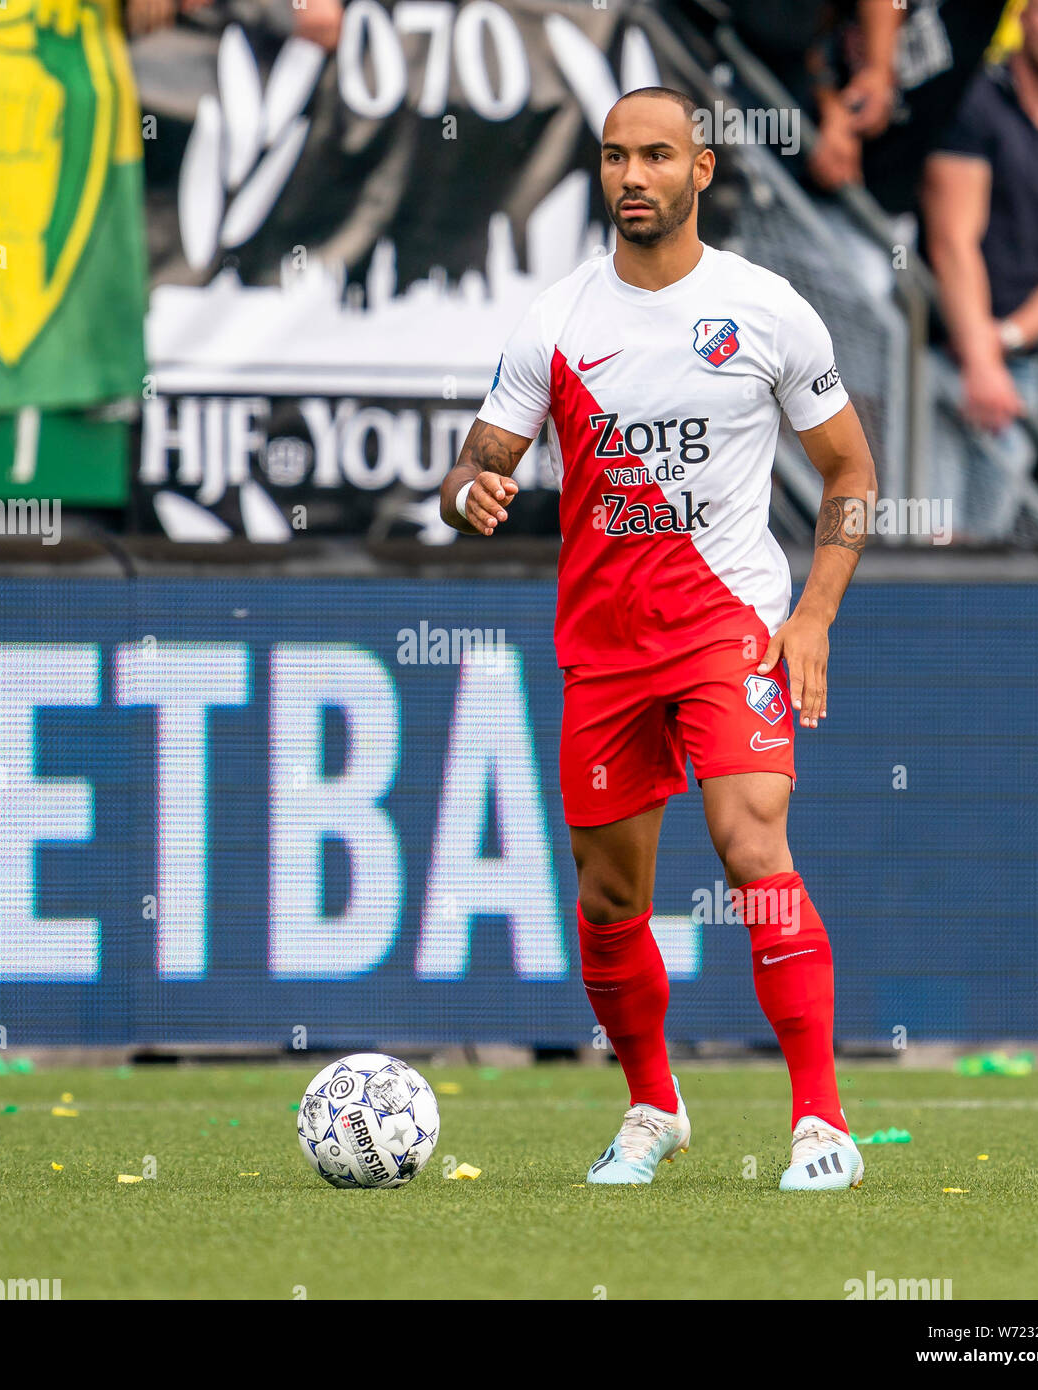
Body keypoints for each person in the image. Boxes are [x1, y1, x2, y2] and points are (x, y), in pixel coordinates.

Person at [439, 88, 878, 1192]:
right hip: (605, 644)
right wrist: (470, 491)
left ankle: (821, 1123)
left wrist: (813, 610)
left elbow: (849, 474)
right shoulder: (555, 321)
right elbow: (477, 457)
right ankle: (652, 1104)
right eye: (613, 157)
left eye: (655, 156)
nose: (631, 176)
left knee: (751, 844)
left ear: (702, 171)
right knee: (607, 898)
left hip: (727, 623)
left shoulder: (765, 309)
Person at [921, 0, 1038, 540]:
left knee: (989, 548)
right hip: (943, 354)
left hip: (1016, 366)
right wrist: (979, 356)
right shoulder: (975, 100)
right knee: (930, 540)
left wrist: (1002, 340)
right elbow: (953, 239)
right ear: (1021, 17)